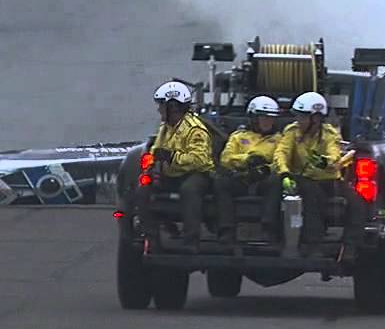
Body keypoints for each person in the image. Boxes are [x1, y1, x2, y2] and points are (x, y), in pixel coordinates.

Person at [274, 91, 363, 259]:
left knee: (357, 202)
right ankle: (313, 244)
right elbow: (281, 152)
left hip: (330, 179)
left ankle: (350, 248)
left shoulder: (330, 134)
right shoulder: (291, 132)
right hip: (304, 179)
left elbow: (334, 154)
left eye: (303, 117)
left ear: (316, 119)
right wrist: (284, 173)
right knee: (313, 196)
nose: (299, 120)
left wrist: (325, 162)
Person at [143, 79, 214, 252]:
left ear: (173, 107)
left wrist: (173, 157)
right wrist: (151, 164)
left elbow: (200, 160)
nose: (158, 109)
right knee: (143, 188)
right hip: (172, 173)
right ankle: (152, 237)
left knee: (189, 189)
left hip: (198, 174)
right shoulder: (165, 127)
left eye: (161, 105)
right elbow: (155, 150)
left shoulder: (195, 129)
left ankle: (191, 241)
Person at [214, 95, 284, 248]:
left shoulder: (279, 139)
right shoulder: (238, 137)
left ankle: (268, 229)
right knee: (221, 182)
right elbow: (226, 158)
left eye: (271, 118)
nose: (267, 121)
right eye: (263, 117)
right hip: (241, 177)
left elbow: (281, 160)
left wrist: (264, 168)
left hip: (264, 179)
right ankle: (226, 230)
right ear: (253, 117)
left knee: (275, 182)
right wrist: (246, 160)